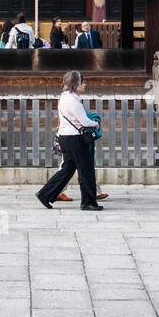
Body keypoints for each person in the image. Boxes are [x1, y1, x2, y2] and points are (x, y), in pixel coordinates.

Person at [36, 70, 102, 211]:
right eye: (82, 82)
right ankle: (88, 202)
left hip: (65, 137)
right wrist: (94, 124)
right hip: (75, 139)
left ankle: (45, 194)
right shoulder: (73, 101)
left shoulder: (65, 98)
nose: (85, 84)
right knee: (86, 171)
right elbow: (83, 121)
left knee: (67, 170)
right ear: (76, 84)